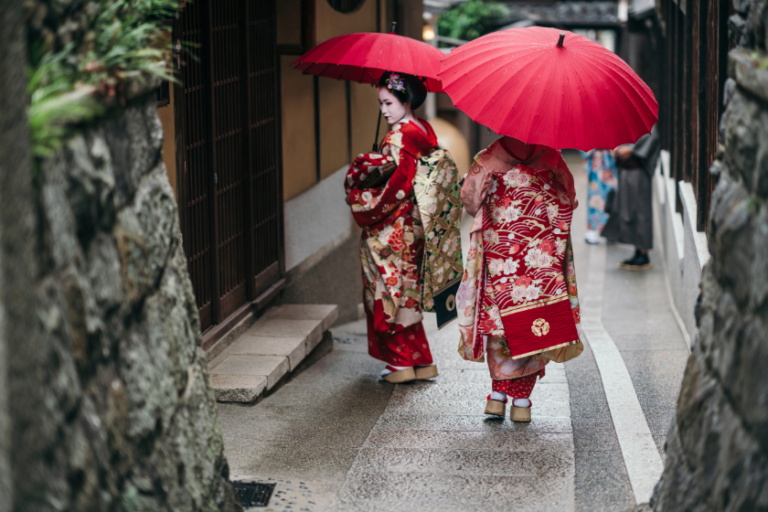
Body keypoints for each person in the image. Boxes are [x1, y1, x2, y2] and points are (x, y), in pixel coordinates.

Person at [457, 136, 584, 422]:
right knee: (536, 320)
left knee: (500, 321)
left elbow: (469, 200)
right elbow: (570, 200)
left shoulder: (487, 160)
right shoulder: (552, 158)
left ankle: (498, 396)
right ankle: (522, 402)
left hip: (501, 257)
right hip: (539, 262)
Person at [344, 72, 438, 384]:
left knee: (385, 289)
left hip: (393, 224)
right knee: (406, 290)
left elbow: (398, 185)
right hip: (416, 222)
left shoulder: (399, 136)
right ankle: (421, 361)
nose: (383, 110)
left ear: (407, 101)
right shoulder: (423, 129)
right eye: (380, 103)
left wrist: (364, 203)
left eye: (388, 102)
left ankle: (400, 363)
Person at [602, 124, 660, 270]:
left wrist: (632, 150)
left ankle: (643, 253)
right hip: (626, 172)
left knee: (641, 211)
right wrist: (617, 148)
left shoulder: (648, 121)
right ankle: (637, 251)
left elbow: (653, 139)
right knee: (629, 210)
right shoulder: (628, 119)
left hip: (638, 173)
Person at [582, 150, 618, 244]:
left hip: (610, 161)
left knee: (611, 197)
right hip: (596, 161)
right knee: (595, 198)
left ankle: (610, 230)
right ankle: (592, 230)